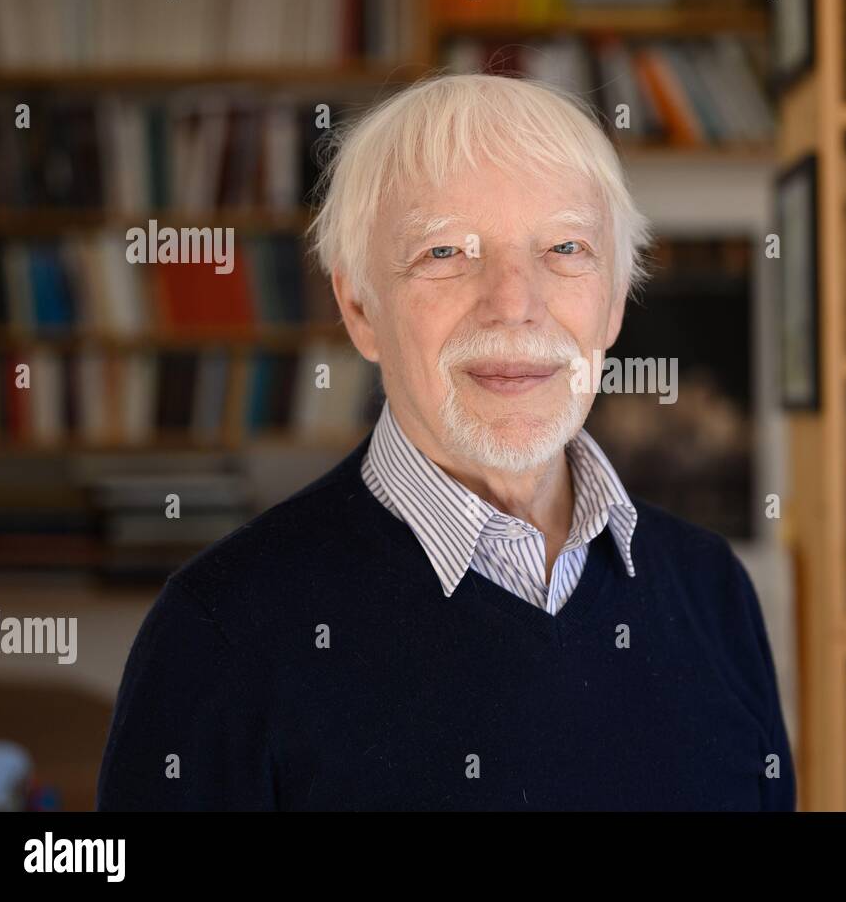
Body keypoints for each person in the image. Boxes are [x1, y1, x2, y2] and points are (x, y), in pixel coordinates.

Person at [96, 73, 795, 810]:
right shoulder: (218, 633)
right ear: (360, 306)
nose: (515, 304)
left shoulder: (713, 591)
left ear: (616, 303)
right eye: (445, 253)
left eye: (564, 246)